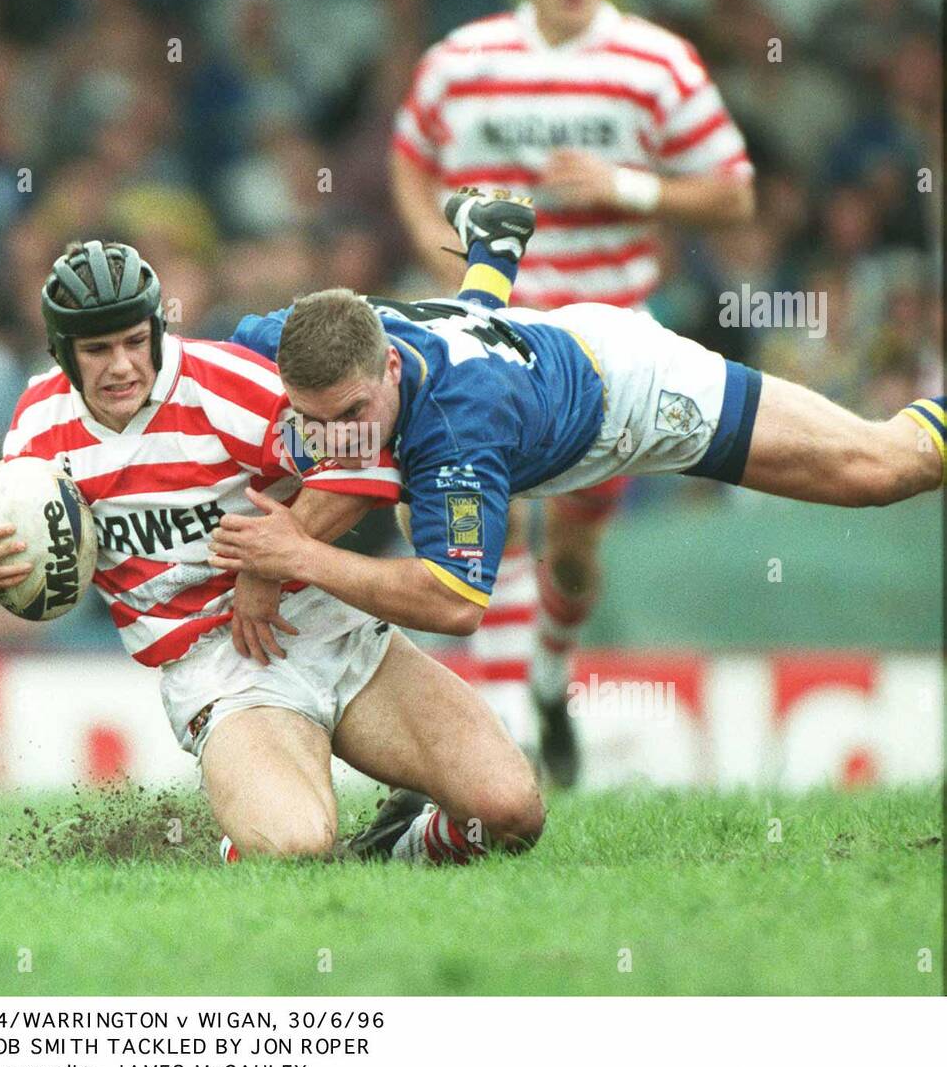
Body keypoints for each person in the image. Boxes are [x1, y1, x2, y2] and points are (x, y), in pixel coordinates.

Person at [210, 191, 944, 835]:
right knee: (397, 466)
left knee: (887, 467)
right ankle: (492, 247)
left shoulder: (459, 432)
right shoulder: (295, 338)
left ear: (390, 366)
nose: (336, 435)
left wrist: (292, 557)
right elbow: (227, 387)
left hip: (641, 395)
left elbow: (456, 601)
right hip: (530, 351)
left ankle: (492, 251)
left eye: (349, 412)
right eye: (317, 416)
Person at [0, 239, 543, 864]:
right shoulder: (39, 422)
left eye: (133, 340)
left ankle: (389, 854)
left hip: (333, 627)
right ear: (63, 353)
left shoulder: (224, 383)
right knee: (294, 847)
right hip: (221, 671)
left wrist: (267, 566)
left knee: (509, 815)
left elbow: (361, 452)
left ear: (156, 330)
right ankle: (263, 831)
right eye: (97, 349)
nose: (121, 365)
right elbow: (2, 518)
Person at [389, 0, 756, 785]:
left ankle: (549, 676)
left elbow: (735, 194)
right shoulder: (462, 61)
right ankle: (508, 730)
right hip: (493, 325)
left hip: (607, 339)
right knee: (497, 515)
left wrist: (627, 186)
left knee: (575, 550)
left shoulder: (656, 63)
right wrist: (431, 247)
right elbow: (410, 155)